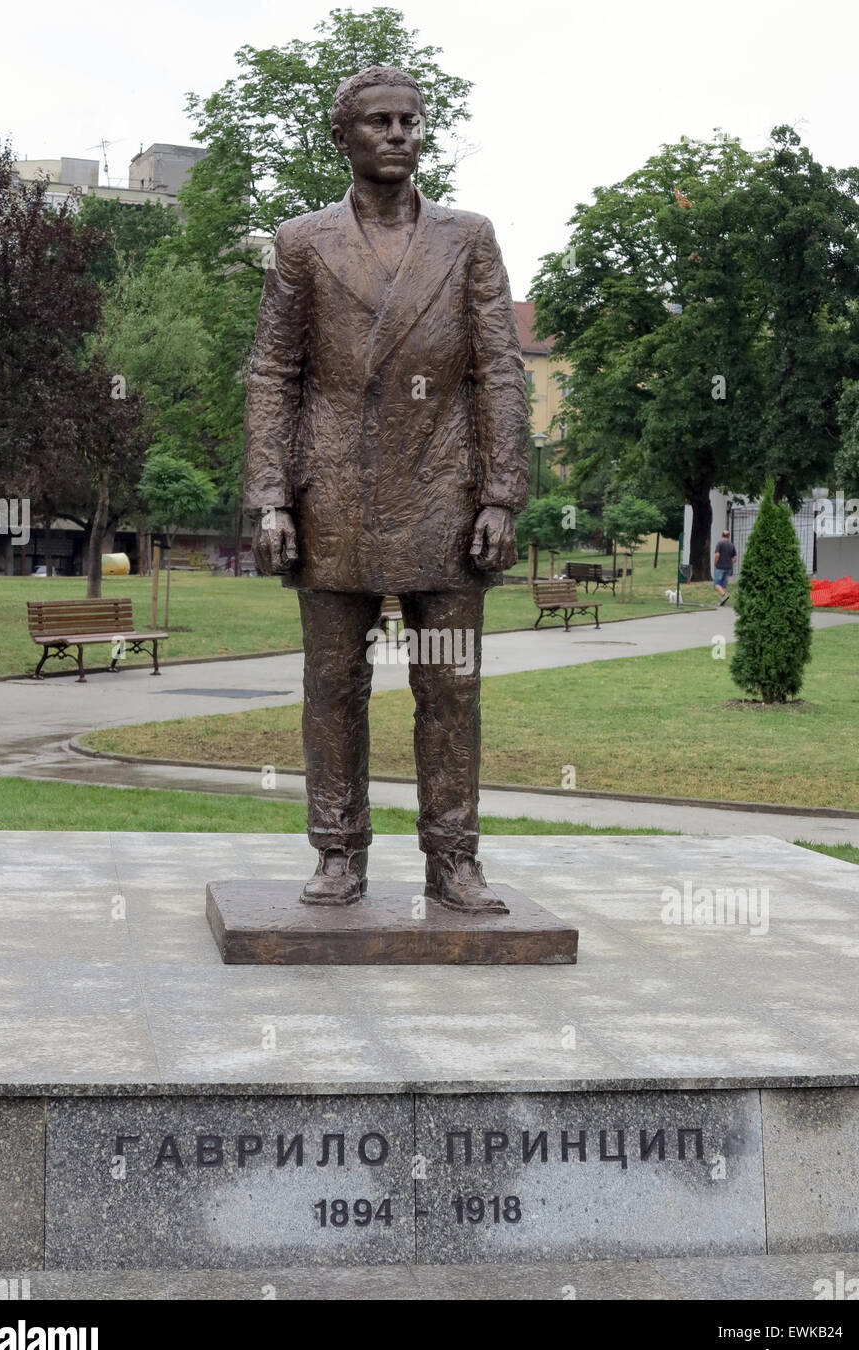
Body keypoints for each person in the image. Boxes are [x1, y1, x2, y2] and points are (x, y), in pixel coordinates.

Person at [244, 66, 529, 912]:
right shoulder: (301, 242)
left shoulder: (467, 237)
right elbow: (272, 372)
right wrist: (271, 498)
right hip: (335, 497)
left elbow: (499, 373)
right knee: (334, 686)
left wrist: (501, 493)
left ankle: (453, 859)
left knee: (450, 687)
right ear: (344, 137)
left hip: (445, 497)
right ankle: (337, 849)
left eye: (411, 120)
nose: (399, 134)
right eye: (379, 122)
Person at [713, 529, 737, 605]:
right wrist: (730, 563)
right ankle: (722, 601)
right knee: (723, 585)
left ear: (722, 535)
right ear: (728, 536)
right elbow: (735, 558)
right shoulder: (731, 545)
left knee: (716, 584)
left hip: (720, 567)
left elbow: (717, 555)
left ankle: (724, 595)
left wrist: (715, 563)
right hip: (728, 568)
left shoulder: (720, 544)